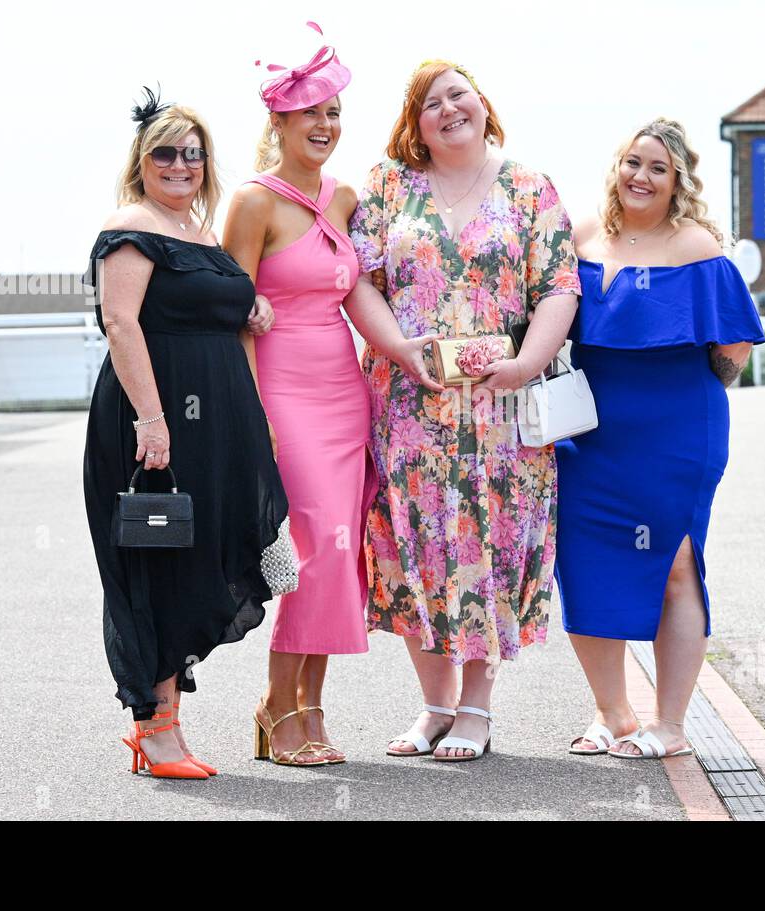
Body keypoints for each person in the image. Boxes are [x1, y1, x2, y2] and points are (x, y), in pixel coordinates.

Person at [346, 60, 580, 761]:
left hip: (501, 409)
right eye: (431, 103)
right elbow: (356, 278)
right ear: (415, 123)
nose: (448, 110)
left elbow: (559, 288)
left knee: (488, 547)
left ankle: (476, 706)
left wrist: (526, 364)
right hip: (410, 406)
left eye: (459, 95)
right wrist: (396, 346)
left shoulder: (531, 188)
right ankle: (435, 704)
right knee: (414, 546)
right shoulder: (389, 185)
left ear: (483, 102)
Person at [83, 89, 286, 779]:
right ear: (142, 160)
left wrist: (249, 306)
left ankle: (165, 719)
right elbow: (121, 323)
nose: (179, 164)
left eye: (192, 154)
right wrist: (153, 419)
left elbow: (214, 301)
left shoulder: (201, 230)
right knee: (157, 562)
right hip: (154, 423)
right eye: (165, 152)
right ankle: (156, 729)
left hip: (215, 421)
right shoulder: (131, 224)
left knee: (199, 557)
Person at [554, 118, 765, 759]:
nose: (641, 177)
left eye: (657, 169)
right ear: (616, 168)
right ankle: (613, 714)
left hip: (676, 434)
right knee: (585, 565)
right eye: (633, 163)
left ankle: (671, 725)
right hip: (588, 435)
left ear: (678, 183)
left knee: (675, 566)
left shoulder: (699, 248)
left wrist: (688, 402)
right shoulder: (580, 237)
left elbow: (731, 347)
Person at [223, 25, 375, 767]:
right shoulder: (253, 203)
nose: (325, 125)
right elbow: (232, 314)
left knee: (341, 556)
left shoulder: (344, 196)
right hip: (281, 394)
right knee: (309, 554)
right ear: (278, 121)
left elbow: (361, 295)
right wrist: (252, 415)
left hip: (346, 395)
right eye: (311, 111)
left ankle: (310, 709)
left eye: (335, 111)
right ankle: (277, 708)